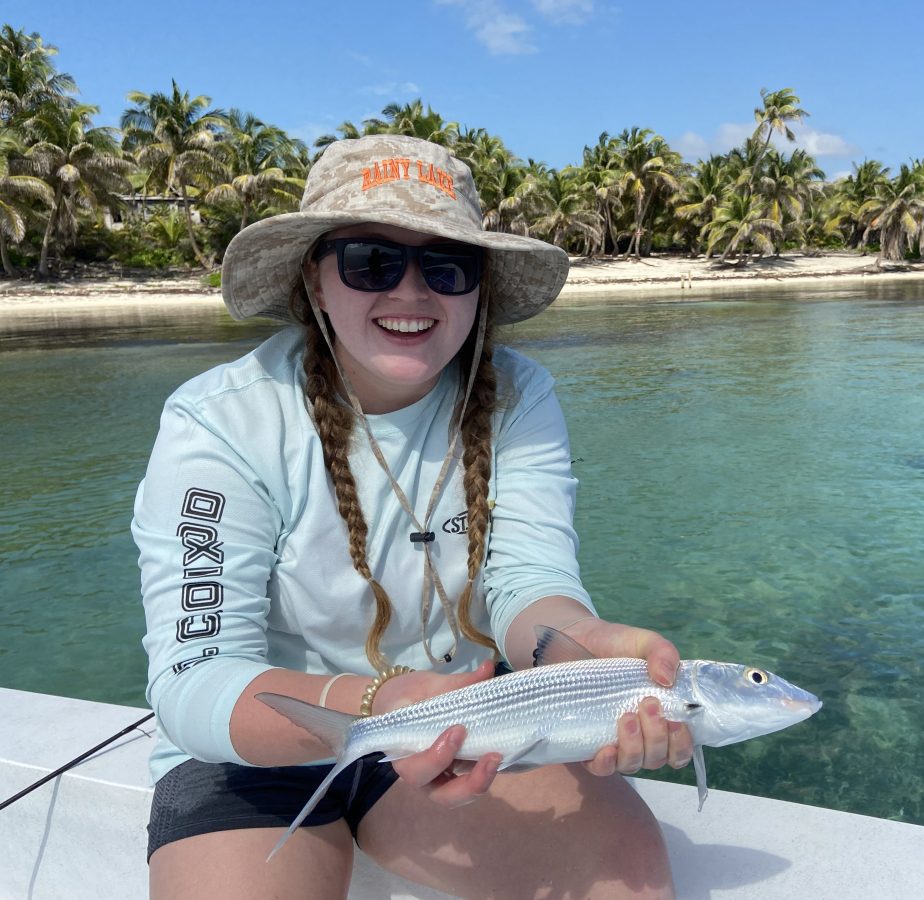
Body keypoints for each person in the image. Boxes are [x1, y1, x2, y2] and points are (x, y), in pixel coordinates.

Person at [133, 134, 691, 899]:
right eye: (370, 261)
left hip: (463, 729)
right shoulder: (218, 423)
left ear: (479, 291)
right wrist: (373, 704)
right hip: (251, 750)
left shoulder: (520, 398)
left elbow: (530, 585)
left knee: (626, 880)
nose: (411, 292)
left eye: (447, 267)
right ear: (315, 281)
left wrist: (583, 648)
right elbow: (195, 681)